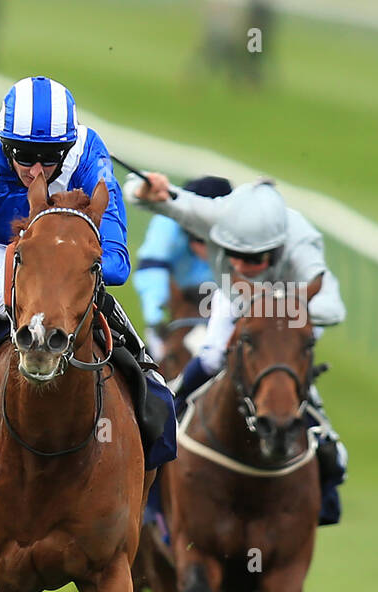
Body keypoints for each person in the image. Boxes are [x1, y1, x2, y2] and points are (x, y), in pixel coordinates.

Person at [127, 172, 348, 524]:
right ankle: (166, 422)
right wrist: (147, 190)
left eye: (254, 259)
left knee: (286, 373)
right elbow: (145, 199)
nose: (242, 267)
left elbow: (333, 309)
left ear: (277, 249)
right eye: (234, 255)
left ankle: (327, 457)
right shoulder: (219, 216)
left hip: (290, 317)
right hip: (237, 301)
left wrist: (276, 307)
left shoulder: (302, 243)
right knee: (212, 355)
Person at [0, 75, 152, 374]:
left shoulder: (88, 159)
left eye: (51, 157)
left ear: (66, 151)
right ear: (6, 147)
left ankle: (156, 398)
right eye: (25, 155)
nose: (37, 170)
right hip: (3, 248)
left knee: (132, 348)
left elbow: (117, 264)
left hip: (72, 256)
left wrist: (63, 272)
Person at [131, 175, 231, 361]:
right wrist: (156, 319)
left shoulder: (240, 231)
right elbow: (152, 271)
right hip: (181, 298)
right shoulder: (167, 224)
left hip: (220, 300)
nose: (203, 249)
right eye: (197, 238)